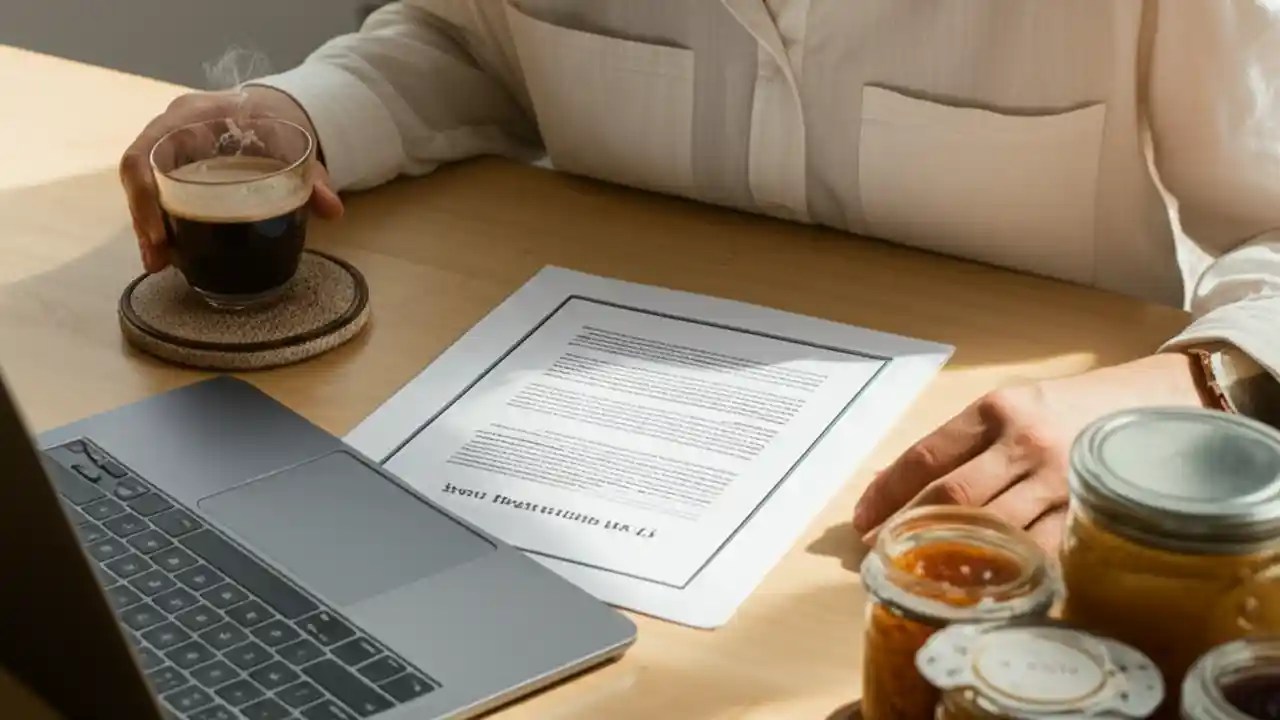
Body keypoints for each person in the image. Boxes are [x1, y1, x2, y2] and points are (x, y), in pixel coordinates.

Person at [120, 1, 1280, 551]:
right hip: (575, 483)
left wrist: (1183, 391)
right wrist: (290, 114)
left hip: (955, 517)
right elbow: (467, 48)